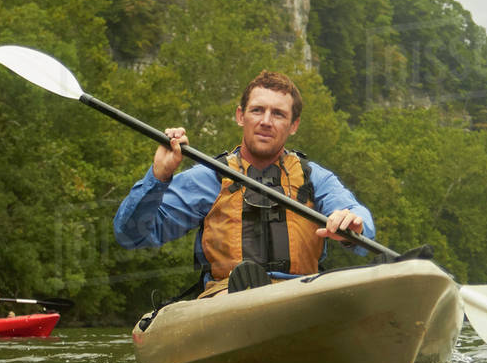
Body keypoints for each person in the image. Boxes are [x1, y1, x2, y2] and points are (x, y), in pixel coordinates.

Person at [113, 70, 375, 296]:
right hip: (226, 299)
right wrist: (158, 176)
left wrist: (353, 224)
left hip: (300, 294)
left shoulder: (314, 178)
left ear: (293, 125)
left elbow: (358, 217)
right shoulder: (209, 177)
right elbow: (131, 235)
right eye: (257, 110)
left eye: (278, 114)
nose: (265, 121)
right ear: (241, 116)